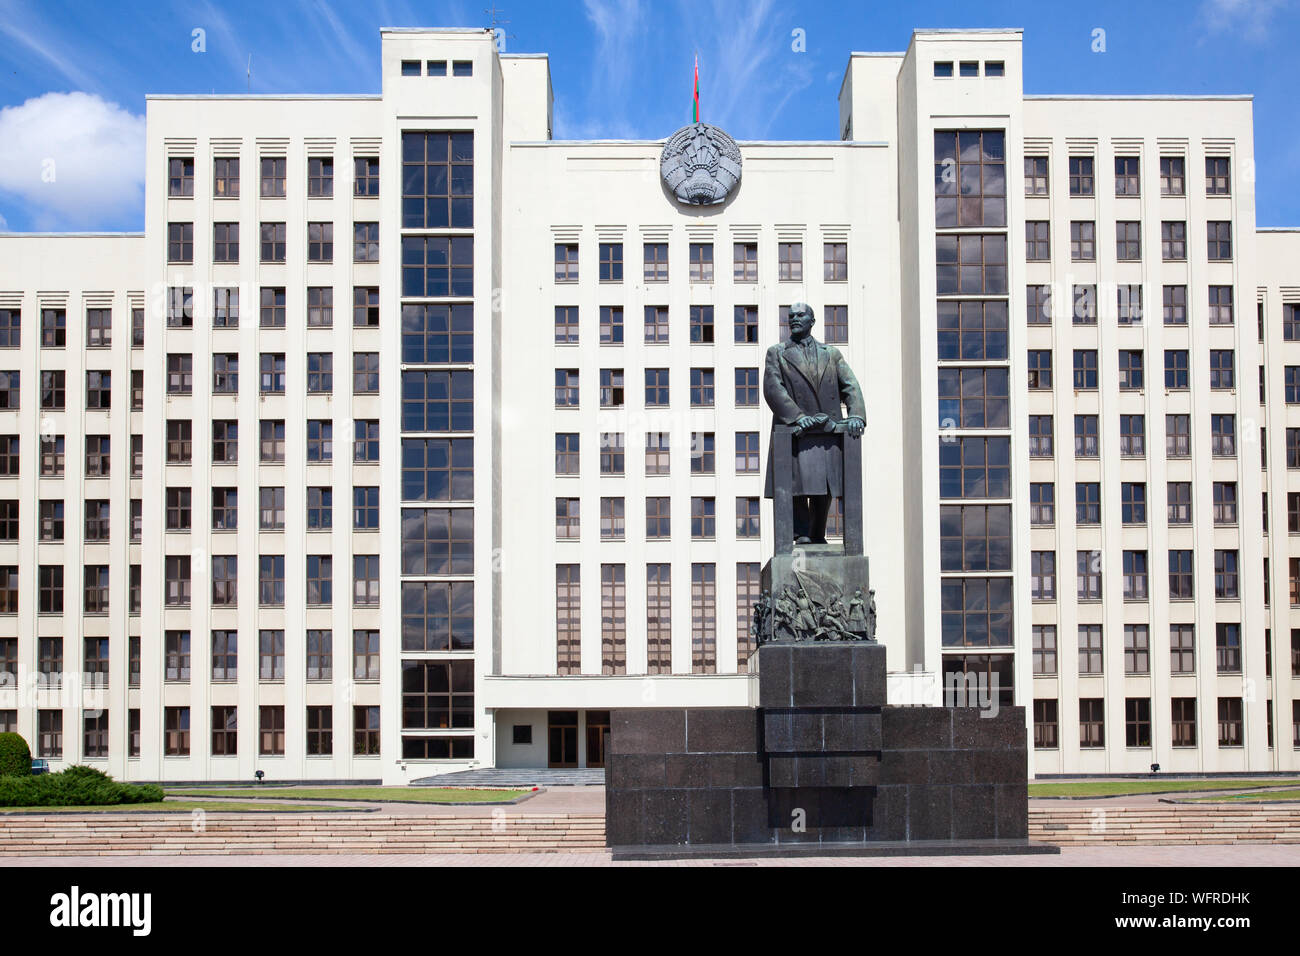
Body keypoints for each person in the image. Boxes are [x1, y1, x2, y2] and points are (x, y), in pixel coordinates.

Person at [763, 303, 866, 544]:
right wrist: (798, 417)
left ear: (812, 320)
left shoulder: (831, 354)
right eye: (790, 316)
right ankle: (801, 534)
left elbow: (850, 385)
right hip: (797, 431)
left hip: (827, 431)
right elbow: (773, 388)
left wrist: (856, 415)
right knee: (796, 485)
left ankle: (817, 533)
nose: (794, 319)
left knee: (825, 485)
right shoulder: (776, 352)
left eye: (800, 315)